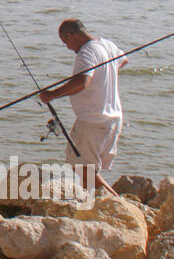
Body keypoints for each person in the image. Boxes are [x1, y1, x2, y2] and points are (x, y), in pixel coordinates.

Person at [39, 18, 126, 194]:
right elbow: (123, 60)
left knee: (81, 167)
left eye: (66, 42)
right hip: (113, 119)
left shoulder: (86, 53)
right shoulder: (106, 45)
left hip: (93, 121)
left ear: (70, 36)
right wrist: (104, 74)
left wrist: (51, 95)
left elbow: (82, 82)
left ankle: (117, 204)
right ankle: (95, 205)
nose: (68, 47)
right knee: (88, 170)